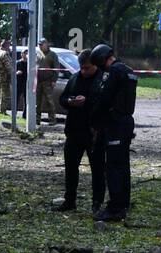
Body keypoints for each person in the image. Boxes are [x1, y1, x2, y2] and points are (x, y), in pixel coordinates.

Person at [87, 43, 136, 222]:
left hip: (115, 123)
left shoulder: (113, 72)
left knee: (113, 167)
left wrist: (94, 119)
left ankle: (115, 207)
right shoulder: (128, 71)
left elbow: (104, 97)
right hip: (126, 121)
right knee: (123, 165)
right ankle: (123, 203)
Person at [52, 50, 103, 213]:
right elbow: (63, 98)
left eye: (87, 68)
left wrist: (87, 102)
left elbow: (105, 103)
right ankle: (70, 200)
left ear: (95, 65)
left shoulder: (103, 79)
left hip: (94, 131)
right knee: (71, 168)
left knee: (98, 170)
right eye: (82, 68)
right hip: (74, 130)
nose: (84, 71)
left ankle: (97, 203)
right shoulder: (75, 78)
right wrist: (69, 101)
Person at [36, 38, 59, 125]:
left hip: (48, 82)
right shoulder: (38, 53)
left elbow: (56, 68)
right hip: (38, 81)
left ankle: (52, 120)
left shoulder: (53, 55)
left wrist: (54, 80)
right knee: (37, 102)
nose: (40, 46)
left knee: (49, 102)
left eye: (42, 44)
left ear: (46, 44)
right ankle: (37, 119)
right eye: (39, 45)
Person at [0, 40, 12, 115]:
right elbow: (8, 67)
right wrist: (14, 74)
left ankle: (0, 110)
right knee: (4, 96)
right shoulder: (4, 53)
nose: (10, 47)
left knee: (1, 95)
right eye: (9, 46)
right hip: (4, 78)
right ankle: (2, 111)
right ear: (6, 46)